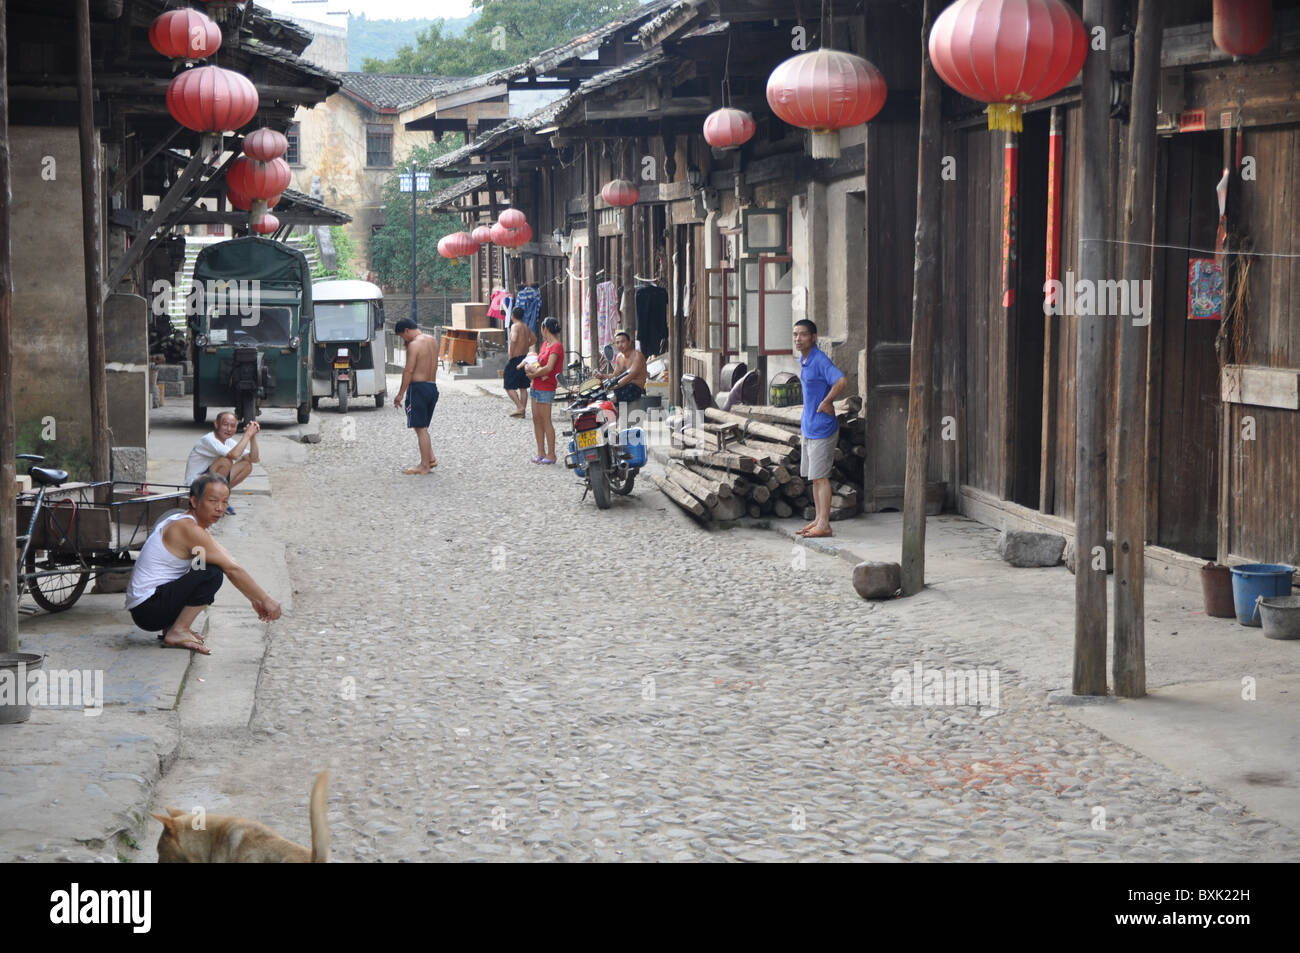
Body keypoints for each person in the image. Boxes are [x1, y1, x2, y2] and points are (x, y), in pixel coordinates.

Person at [125, 472, 282, 654]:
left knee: (202, 564)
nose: (220, 508)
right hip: (148, 609)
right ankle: (178, 631)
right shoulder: (188, 529)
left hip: (150, 606)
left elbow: (230, 560)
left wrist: (254, 599)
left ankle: (174, 627)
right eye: (213, 501)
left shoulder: (191, 524)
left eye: (225, 502)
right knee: (211, 572)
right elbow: (231, 569)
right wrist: (266, 600)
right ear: (194, 501)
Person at [793, 319, 847, 538]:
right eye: (795, 335)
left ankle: (824, 524)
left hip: (823, 428)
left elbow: (841, 381)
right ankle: (818, 519)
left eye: (803, 335)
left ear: (813, 338)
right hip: (809, 427)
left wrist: (827, 402)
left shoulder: (819, 359)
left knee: (821, 477)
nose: (798, 339)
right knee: (815, 477)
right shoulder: (804, 359)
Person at [184, 412, 259, 515]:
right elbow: (234, 455)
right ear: (216, 424)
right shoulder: (209, 439)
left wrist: (252, 437)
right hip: (195, 485)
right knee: (225, 461)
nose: (229, 429)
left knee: (247, 465)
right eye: (225, 424)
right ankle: (214, 503)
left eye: (232, 426)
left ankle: (220, 500)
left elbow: (253, 458)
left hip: (209, 480)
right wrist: (247, 434)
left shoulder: (227, 441)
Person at [393, 317, 439, 474]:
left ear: (406, 331)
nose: (403, 340)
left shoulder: (414, 344)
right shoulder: (432, 340)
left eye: (402, 336)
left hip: (418, 388)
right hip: (432, 387)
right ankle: (430, 458)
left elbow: (409, 370)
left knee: (420, 428)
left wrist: (400, 394)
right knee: (423, 427)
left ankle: (424, 465)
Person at [524, 316, 563, 464]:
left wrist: (534, 373)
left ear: (545, 329)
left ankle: (551, 454)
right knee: (536, 419)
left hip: (546, 387)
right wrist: (531, 368)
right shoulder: (546, 345)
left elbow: (549, 367)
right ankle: (541, 451)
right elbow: (539, 363)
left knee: (546, 420)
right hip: (536, 384)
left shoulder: (556, 346)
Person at [597, 330, 648, 412]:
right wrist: (602, 376)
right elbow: (615, 375)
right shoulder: (619, 357)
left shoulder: (638, 356)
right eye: (617, 343)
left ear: (629, 342)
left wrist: (613, 386)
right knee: (601, 395)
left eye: (622, 342)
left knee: (621, 391)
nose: (620, 345)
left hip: (636, 388)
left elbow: (630, 376)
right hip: (622, 386)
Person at [503, 306, 535, 418]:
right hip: (525, 357)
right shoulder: (525, 326)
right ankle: (522, 412)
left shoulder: (515, 326)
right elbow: (534, 339)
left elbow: (514, 340)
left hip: (515, 358)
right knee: (523, 386)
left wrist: (510, 355)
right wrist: (526, 345)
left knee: (508, 385)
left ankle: (519, 407)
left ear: (512, 316)